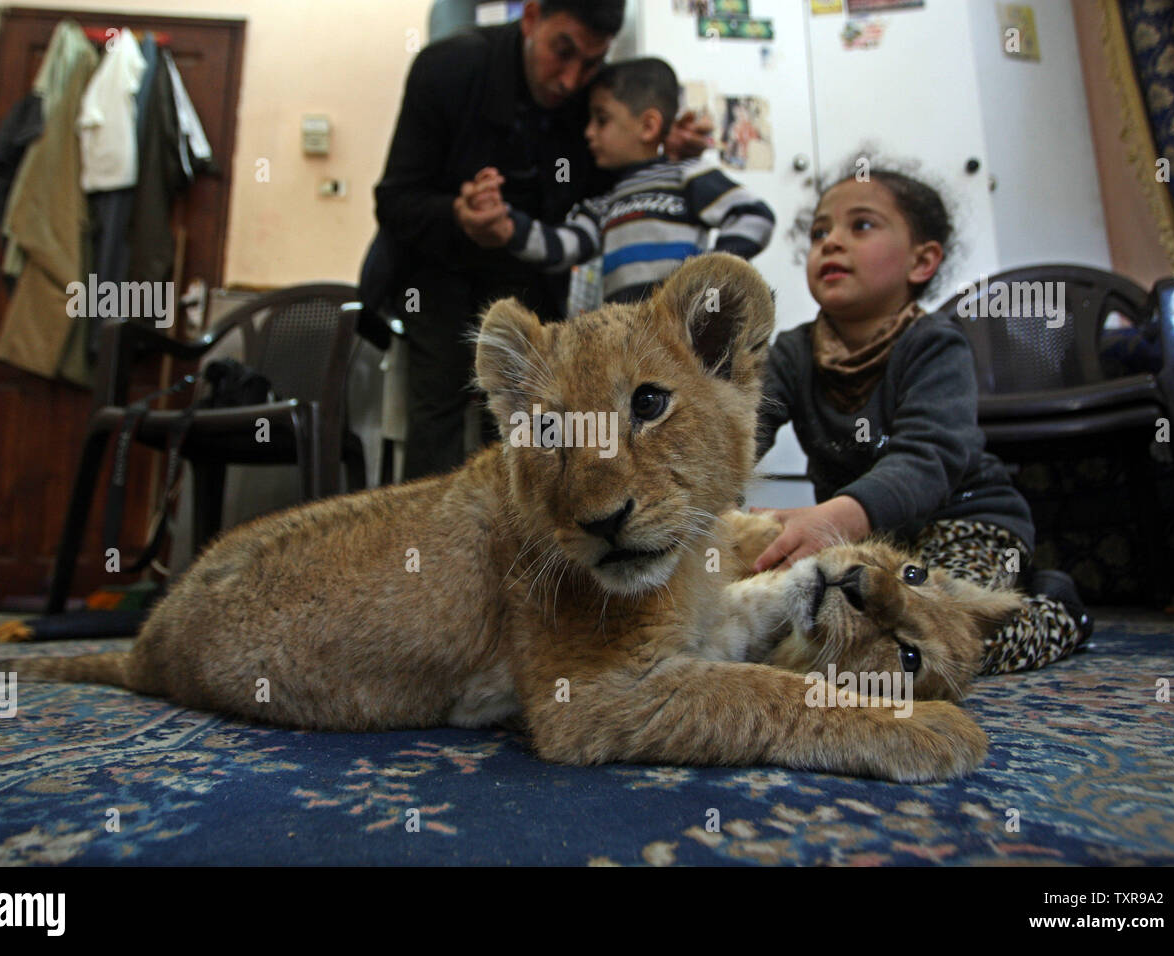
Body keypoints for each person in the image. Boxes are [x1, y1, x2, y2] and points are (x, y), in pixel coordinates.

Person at [752, 164, 1092, 675]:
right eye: (820, 232)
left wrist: (835, 517)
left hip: (965, 520)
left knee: (934, 641)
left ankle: (1055, 609)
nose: (831, 243)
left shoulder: (934, 344)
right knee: (807, 625)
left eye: (860, 226)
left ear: (922, 260)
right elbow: (740, 434)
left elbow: (927, 458)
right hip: (867, 543)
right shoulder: (791, 353)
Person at [366, 0, 710, 480]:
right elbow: (394, 200)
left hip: (532, 277)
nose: (571, 79)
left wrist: (661, 151)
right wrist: (458, 214)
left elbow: (607, 189)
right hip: (436, 271)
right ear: (531, 18)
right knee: (437, 407)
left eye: (590, 62)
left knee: (533, 420)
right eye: (561, 51)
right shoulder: (447, 68)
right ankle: (429, 550)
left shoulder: (591, 94)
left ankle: (533, 547)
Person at [465, 57, 775, 303]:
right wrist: (508, 225)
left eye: (602, 119)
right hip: (625, 342)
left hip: (681, 339)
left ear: (648, 126)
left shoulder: (688, 176)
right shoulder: (605, 203)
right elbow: (562, 248)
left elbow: (755, 216)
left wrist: (707, 274)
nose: (588, 132)